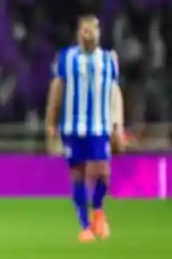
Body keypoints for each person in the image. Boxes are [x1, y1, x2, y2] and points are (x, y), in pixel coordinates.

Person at [45, 14, 126, 243]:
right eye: (84, 30)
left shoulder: (109, 60)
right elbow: (57, 90)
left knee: (103, 173)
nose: (88, 34)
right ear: (79, 33)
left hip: (100, 127)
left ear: (99, 33)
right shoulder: (67, 59)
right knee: (78, 175)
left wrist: (118, 125)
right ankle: (85, 226)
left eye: (92, 30)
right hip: (72, 127)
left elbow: (114, 92)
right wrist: (50, 122)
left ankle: (98, 208)